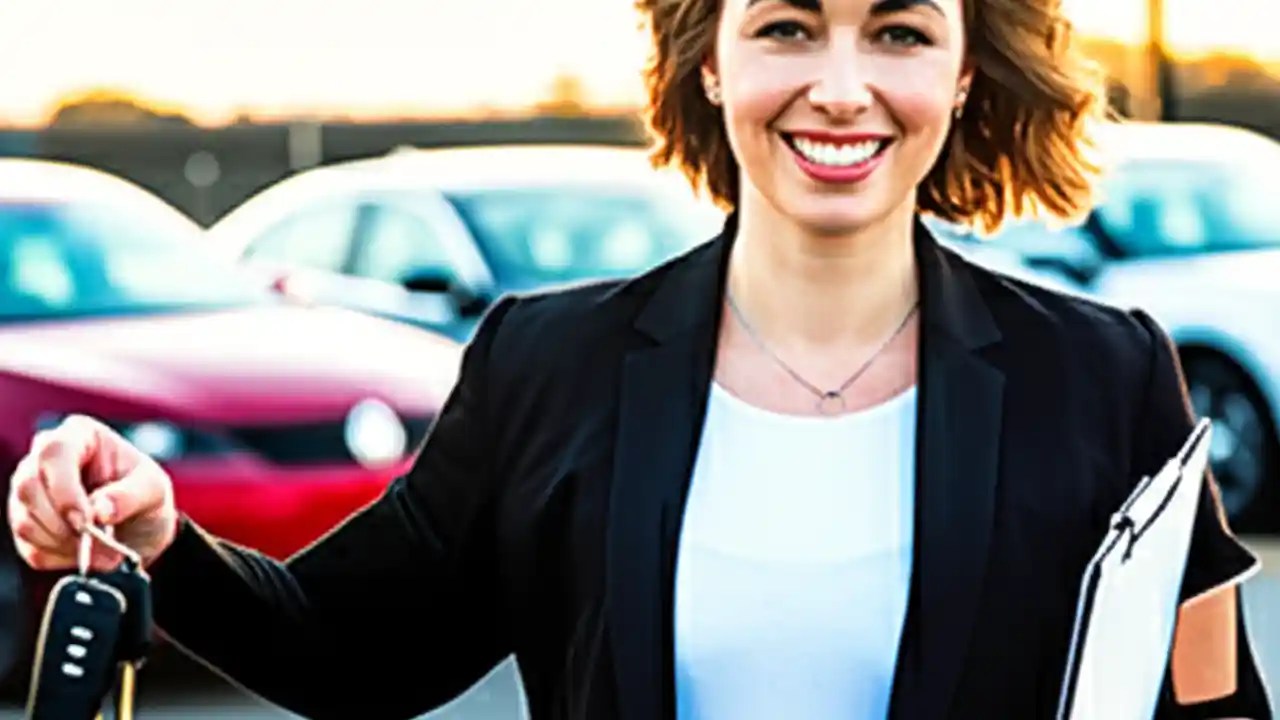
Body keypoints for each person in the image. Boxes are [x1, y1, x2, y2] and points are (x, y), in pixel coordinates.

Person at [6, 0, 1271, 717]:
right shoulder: (548, 364)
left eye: (895, 31)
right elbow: (344, 651)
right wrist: (162, 537)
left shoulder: (1104, 378)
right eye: (785, 26)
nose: (840, 86)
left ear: (960, 66)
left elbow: (1215, 716)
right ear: (707, 59)